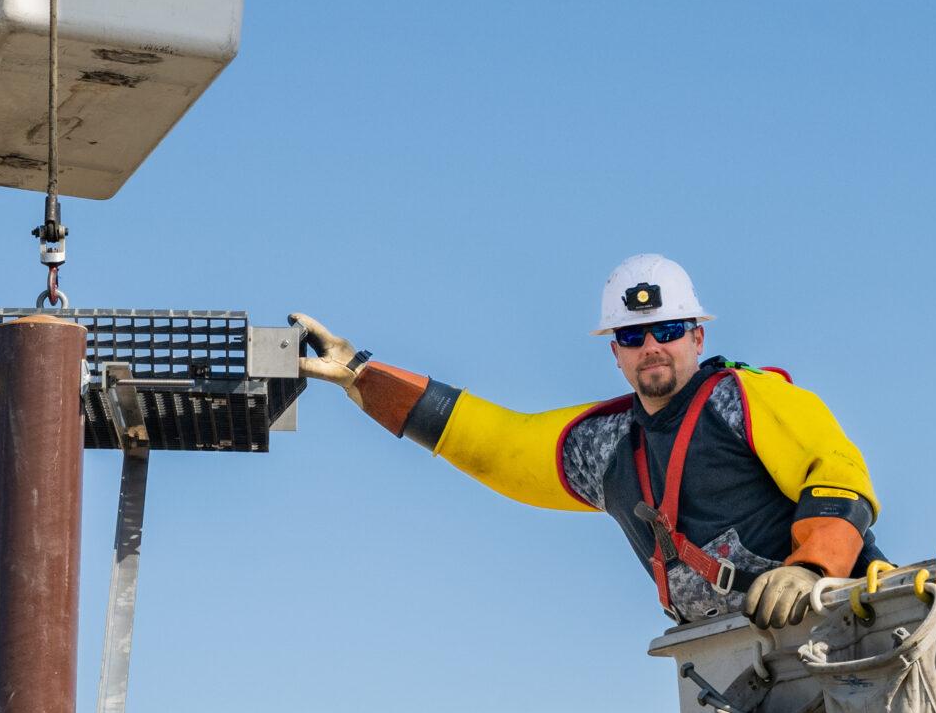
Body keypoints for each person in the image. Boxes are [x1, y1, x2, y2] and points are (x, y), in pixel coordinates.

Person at [292, 255, 882, 628]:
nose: (652, 346)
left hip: (838, 622)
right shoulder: (604, 445)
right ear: (615, 353)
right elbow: (499, 445)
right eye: (633, 335)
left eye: (668, 329)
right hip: (728, 655)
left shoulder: (746, 398)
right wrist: (362, 375)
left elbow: (837, 478)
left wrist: (811, 569)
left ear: (697, 338)